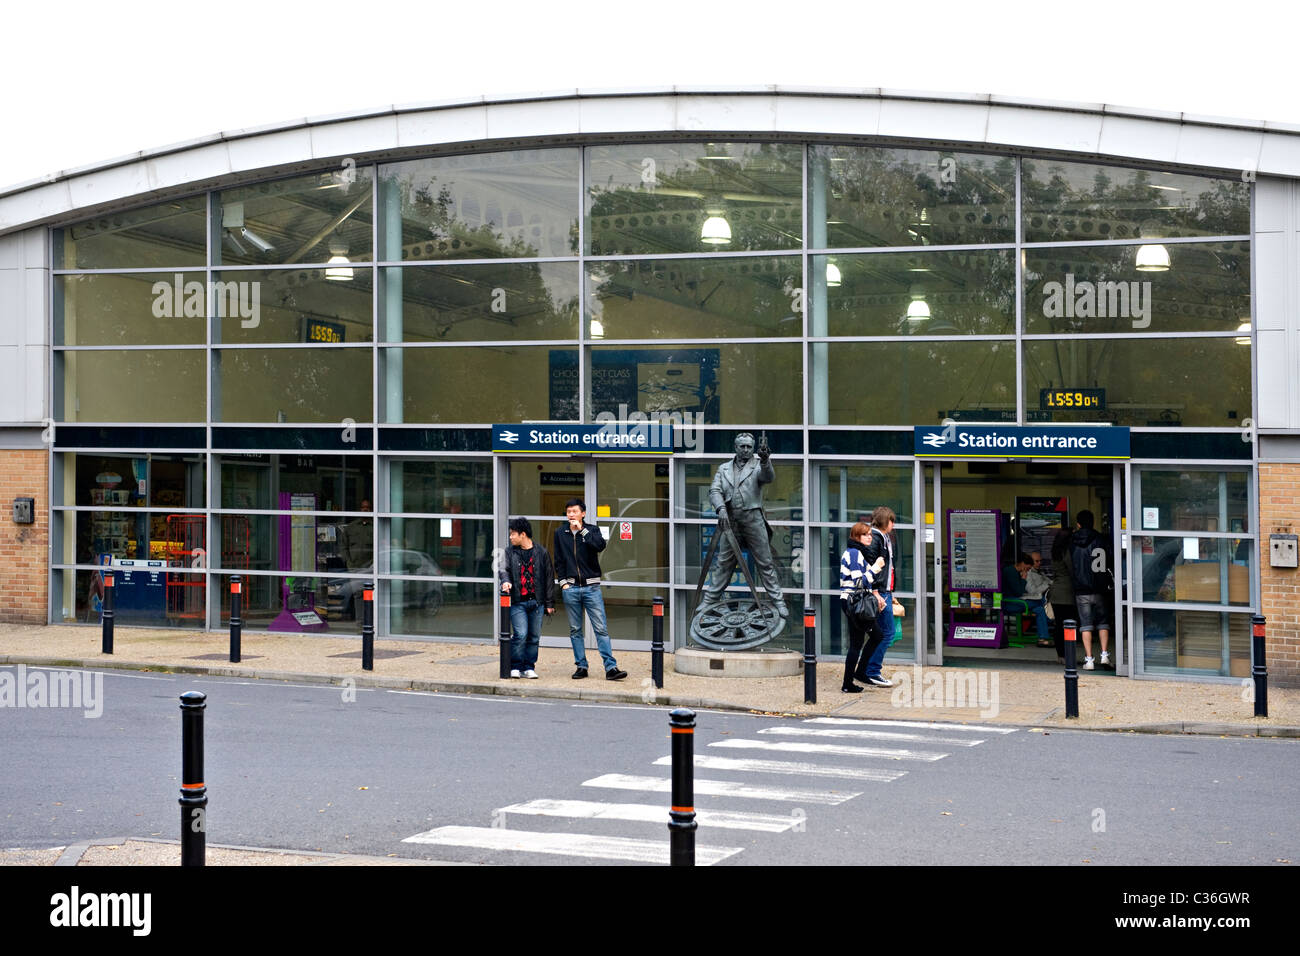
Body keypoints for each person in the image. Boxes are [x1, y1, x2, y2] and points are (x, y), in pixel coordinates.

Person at [697, 433, 786, 618]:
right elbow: (714, 490)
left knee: (765, 562)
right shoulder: (724, 469)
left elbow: (768, 477)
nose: (746, 450)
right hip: (730, 521)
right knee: (723, 563)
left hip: (753, 519)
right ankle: (710, 599)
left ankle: (778, 601)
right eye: (742, 446)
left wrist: (765, 460)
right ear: (735, 447)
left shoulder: (758, 465)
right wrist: (720, 508)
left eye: (749, 447)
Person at [553, 498, 627, 681]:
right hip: (570, 588)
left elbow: (600, 546)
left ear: (582, 513)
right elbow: (559, 559)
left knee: (601, 628)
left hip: (591, 587)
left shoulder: (592, 530)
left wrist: (582, 530)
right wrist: (563, 582)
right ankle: (581, 666)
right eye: (568, 511)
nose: (571, 514)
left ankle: (611, 668)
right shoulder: (560, 533)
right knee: (575, 630)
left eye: (574, 511)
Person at [498, 517, 554, 679]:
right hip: (518, 602)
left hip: (537, 602)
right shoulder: (508, 552)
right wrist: (506, 582)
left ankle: (529, 667)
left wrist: (549, 603)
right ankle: (515, 666)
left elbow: (549, 578)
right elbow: (503, 570)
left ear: (523, 534)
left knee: (534, 637)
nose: (510, 537)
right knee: (521, 634)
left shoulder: (541, 552)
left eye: (513, 534)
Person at [840, 522, 888, 692]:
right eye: (866, 534)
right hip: (853, 602)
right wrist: (875, 568)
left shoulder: (858, 553)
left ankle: (858, 674)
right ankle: (849, 682)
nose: (870, 537)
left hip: (854, 602)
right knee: (863, 641)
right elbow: (859, 582)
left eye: (870, 534)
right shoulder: (854, 554)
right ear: (857, 537)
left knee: (869, 638)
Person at [857, 506, 899, 686]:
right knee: (886, 633)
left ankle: (866, 670)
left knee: (881, 633)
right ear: (885, 520)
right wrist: (876, 592)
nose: (893, 524)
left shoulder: (883, 538)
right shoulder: (876, 538)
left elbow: (887, 569)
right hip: (879, 593)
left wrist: (890, 592)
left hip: (884, 591)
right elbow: (871, 566)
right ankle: (872, 671)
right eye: (892, 521)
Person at [1069, 509, 1113, 670]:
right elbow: (1110, 560)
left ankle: (1089, 660)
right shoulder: (1101, 539)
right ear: (1093, 522)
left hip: (1081, 589)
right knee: (1103, 622)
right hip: (1100, 587)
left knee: (1085, 624)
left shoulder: (1072, 541)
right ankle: (1104, 655)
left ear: (1079, 524)